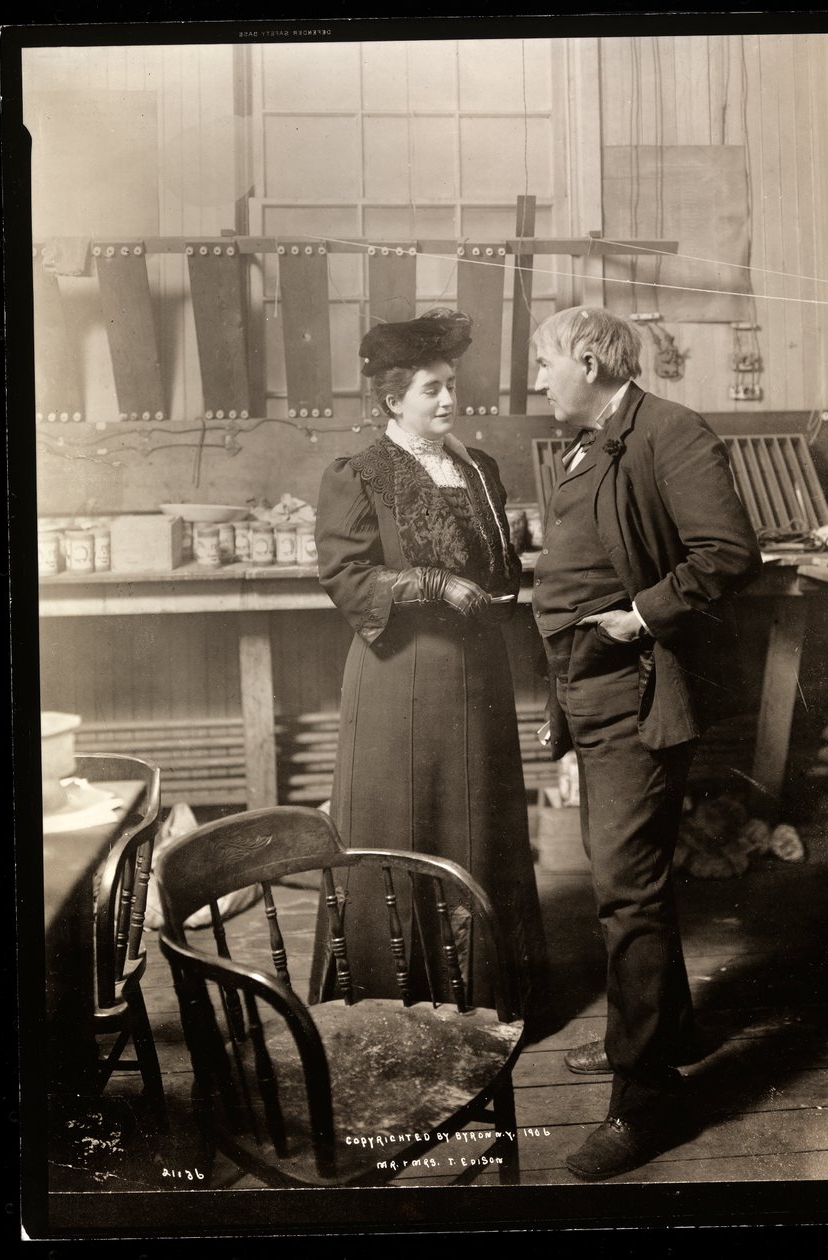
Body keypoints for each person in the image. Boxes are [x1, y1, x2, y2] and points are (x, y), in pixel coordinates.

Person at [530, 306, 762, 1180]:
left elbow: (728, 552)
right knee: (623, 877)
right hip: (590, 691)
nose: (538, 379)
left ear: (590, 359)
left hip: (638, 691)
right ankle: (664, 1032)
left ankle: (647, 1098)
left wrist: (640, 616)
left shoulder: (671, 430)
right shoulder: (592, 443)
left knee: (627, 891)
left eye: (546, 361)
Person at [311, 307, 548, 1025]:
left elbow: (498, 560)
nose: (448, 399)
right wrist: (431, 585)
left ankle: (484, 994)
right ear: (393, 400)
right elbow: (344, 575)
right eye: (430, 389)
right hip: (399, 674)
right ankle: (396, 997)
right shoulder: (360, 473)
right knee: (402, 821)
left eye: (450, 384)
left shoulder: (478, 468)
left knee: (481, 816)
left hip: (477, 672)